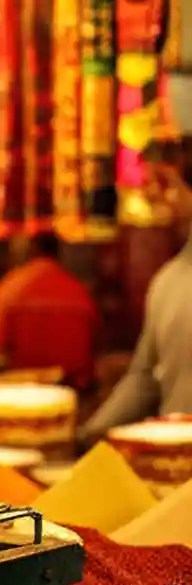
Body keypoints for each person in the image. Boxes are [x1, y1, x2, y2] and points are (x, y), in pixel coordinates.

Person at [79, 163, 192, 443]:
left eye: (173, 188)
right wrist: (90, 435)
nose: (166, 200)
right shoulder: (168, 281)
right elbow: (144, 378)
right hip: (173, 463)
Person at [0, 233, 98, 390]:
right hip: (75, 399)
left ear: (28, 248)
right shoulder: (80, 293)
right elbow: (94, 354)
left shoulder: (10, 289)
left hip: (20, 400)